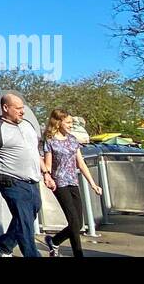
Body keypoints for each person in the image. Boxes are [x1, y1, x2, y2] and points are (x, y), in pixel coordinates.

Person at [0, 92, 56, 257]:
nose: (22, 111)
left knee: (31, 212)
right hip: (10, 180)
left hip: (31, 179)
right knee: (25, 222)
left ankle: (4, 245)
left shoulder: (27, 125)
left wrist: (46, 173)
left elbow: (34, 153)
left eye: (22, 108)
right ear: (5, 108)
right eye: (17, 108)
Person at [41, 109, 102, 258]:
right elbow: (48, 165)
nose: (70, 125)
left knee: (78, 223)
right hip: (59, 184)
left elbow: (81, 163)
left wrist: (93, 184)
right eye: (68, 122)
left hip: (72, 181)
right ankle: (78, 253)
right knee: (73, 221)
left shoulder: (73, 139)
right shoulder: (50, 141)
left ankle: (54, 241)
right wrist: (45, 175)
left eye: (71, 122)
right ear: (58, 122)